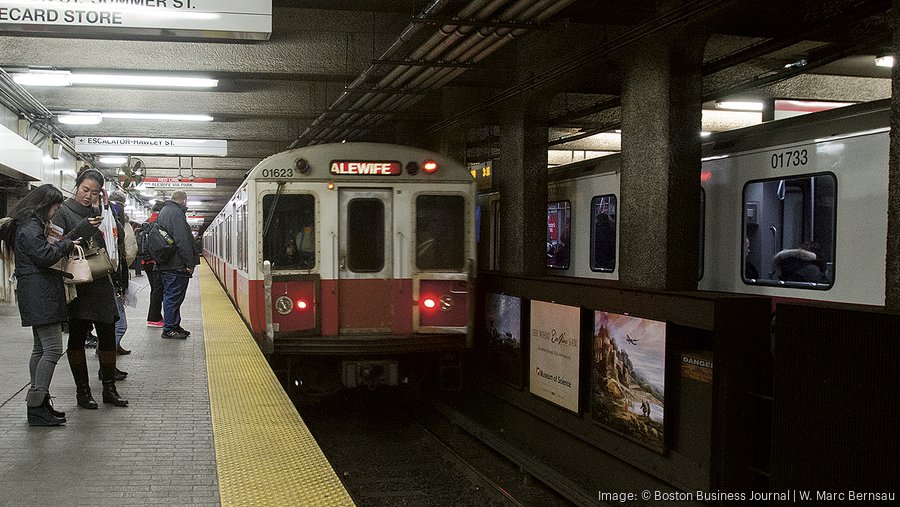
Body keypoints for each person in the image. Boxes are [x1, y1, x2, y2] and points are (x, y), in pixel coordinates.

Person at [52, 169, 129, 409]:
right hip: (78, 284)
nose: (88, 196)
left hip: (101, 280)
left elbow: (118, 238)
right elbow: (58, 246)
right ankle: (83, 393)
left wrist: (107, 209)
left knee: (107, 335)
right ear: (77, 186)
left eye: (94, 192)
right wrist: (85, 228)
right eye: (85, 190)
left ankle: (109, 388)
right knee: (77, 337)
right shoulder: (62, 212)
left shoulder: (100, 210)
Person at [0, 184, 75, 426]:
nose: (55, 211)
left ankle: (38, 403)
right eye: (55, 207)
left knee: (40, 349)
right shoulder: (30, 225)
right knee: (53, 349)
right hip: (40, 291)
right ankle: (36, 405)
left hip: (35, 290)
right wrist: (65, 244)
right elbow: (44, 256)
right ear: (45, 204)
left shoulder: (25, 223)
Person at [155, 190, 200, 339]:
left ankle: (174, 325)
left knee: (173, 296)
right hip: (175, 264)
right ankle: (169, 329)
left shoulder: (165, 211)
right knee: (173, 297)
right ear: (185, 200)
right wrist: (189, 262)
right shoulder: (176, 213)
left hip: (169, 263)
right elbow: (182, 240)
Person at [108, 192, 133, 356]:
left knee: (114, 324)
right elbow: (119, 259)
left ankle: (111, 351)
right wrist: (120, 286)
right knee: (120, 325)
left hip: (115, 281)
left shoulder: (112, 219)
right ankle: (108, 358)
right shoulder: (116, 224)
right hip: (113, 282)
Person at [143, 201, 165, 328]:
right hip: (155, 261)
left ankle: (156, 316)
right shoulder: (159, 222)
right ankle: (154, 318)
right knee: (158, 290)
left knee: (155, 289)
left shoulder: (146, 222)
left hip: (145, 262)